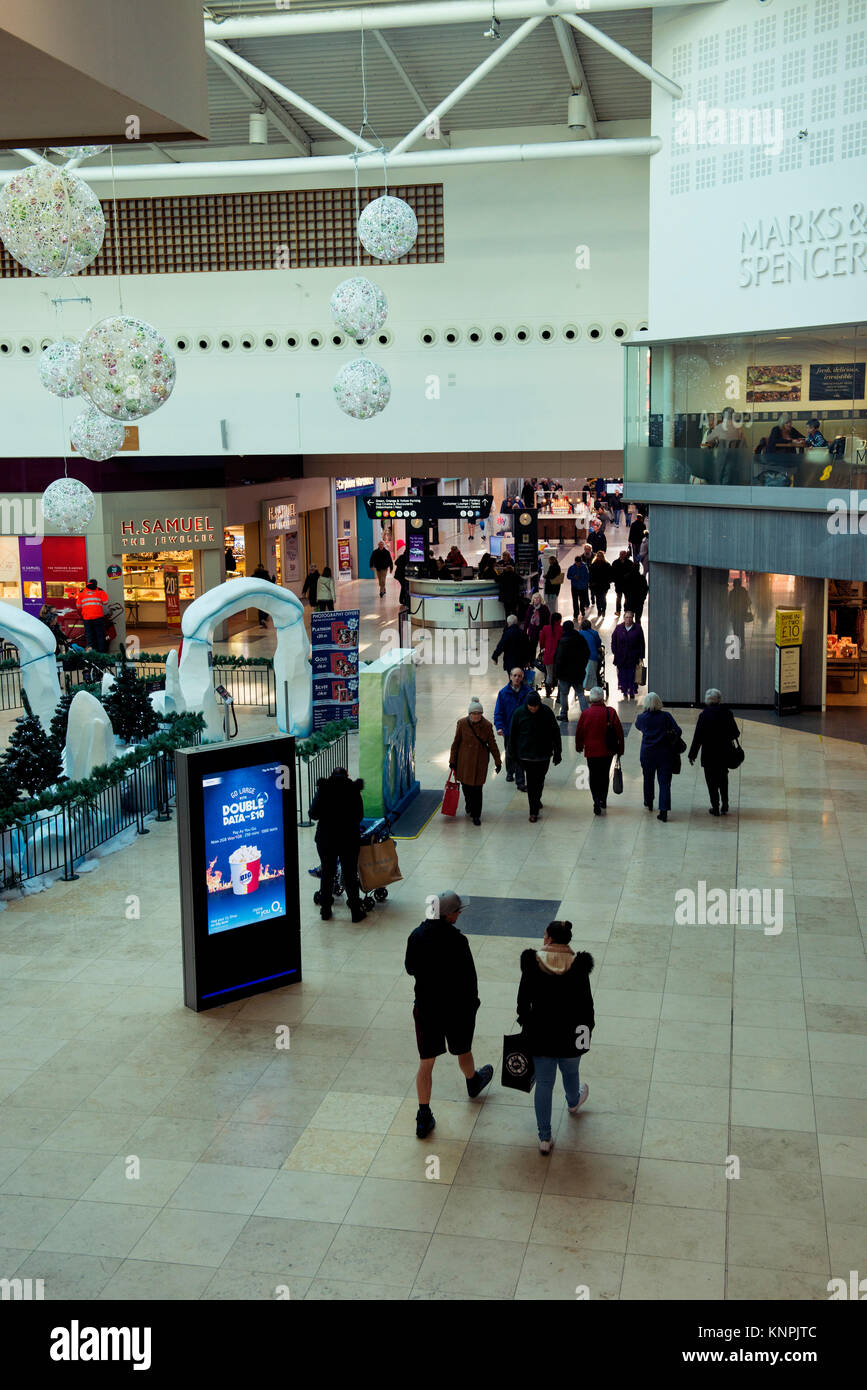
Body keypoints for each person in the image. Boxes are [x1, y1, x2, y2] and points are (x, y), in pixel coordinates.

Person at [405, 890, 493, 1139]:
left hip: (426, 1008)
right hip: (456, 1009)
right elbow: (469, 978)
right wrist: (472, 1004)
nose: (459, 915)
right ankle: (472, 1081)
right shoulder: (458, 941)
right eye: (457, 911)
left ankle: (423, 1117)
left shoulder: (416, 935)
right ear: (450, 915)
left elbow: (410, 968)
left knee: (426, 1062)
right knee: (463, 1049)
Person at [516, 921, 594, 1153]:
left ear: (549, 938)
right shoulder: (579, 966)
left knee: (545, 1083)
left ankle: (544, 1138)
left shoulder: (532, 963)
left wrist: (527, 1023)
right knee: (571, 1072)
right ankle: (573, 1102)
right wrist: (586, 1029)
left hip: (541, 1034)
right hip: (571, 1034)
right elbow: (586, 1005)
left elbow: (522, 1003)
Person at [309, 767, 366, 923]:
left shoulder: (324, 788)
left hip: (326, 839)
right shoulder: (353, 789)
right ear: (347, 775)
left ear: (331, 775)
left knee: (327, 874)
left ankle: (325, 910)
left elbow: (312, 814)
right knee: (350, 875)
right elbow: (360, 816)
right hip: (348, 839)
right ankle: (355, 911)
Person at [508, 690, 562, 823]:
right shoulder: (519, 713)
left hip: (543, 755)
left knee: (540, 780)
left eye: (535, 706)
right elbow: (513, 735)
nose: (533, 709)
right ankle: (533, 811)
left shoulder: (547, 712)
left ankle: (536, 800)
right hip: (526, 756)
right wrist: (512, 754)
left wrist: (558, 752)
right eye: (531, 706)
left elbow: (555, 732)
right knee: (532, 783)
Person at [449, 697, 502, 825]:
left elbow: (492, 744)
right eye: (474, 713)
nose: (477, 716)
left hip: (480, 762)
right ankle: (469, 804)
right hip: (464, 762)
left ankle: (476, 815)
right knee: (466, 788)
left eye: (479, 713)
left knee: (477, 790)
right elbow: (456, 743)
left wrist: (498, 761)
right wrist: (452, 761)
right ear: (469, 714)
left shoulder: (487, 726)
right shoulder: (462, 723)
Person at [688, 688, 740, 816]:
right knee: (723, 779)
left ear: (707, 701)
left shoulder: (703, 716)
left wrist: (692, 755)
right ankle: (725, 803)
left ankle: (715, 806)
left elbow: (698, 738)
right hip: (724, 753)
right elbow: (736, 733)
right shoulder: (727, 713)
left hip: (709, 755)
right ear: (719, 700)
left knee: (711, 782)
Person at [575, 686, 624, 815]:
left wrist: (579, 746)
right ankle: (603, 799)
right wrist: (620, 749)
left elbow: (579, 732)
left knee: (594, 775)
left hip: (591, 751)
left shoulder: (585, 714)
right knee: (604, 775)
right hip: (607, 751)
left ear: (591, 699)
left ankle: (595, 799)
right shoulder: (611, 712)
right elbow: (619, 732)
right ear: (602, 698)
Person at [635, 692, 683, 823]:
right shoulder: (666, 716)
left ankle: (649, 802)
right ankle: (664, 810)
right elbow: (678, 731)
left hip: (647, 753)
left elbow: (638, 726)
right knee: (665, 783)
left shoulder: (642, 717)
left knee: (648, 779)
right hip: (665, 754)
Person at [494, 666, 534, 789]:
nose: (517, 678)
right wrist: (499, 726)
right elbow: (498, 712)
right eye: (514, 675)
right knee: (510, 752)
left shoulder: (529, 693)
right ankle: (510, 772)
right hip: (508, 729)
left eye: (519, 676)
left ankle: (520, 779)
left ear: (523, 678)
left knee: (520, 753)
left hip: (523, 730)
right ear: (510, 677)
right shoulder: (503, 693)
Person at [553, 619, 591, 722]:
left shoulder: (562, 640)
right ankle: (586, 713)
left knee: (563, 694)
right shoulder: (580, 638)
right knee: (580, 693)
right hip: (578, 672)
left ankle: (564, 713)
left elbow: (559, 658)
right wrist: (582, 666)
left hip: (564, 674)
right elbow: (587, 653)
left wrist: (556, 672)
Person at [610, 610, 645, 700]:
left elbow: (641, 643)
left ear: (632, 618)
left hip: (633, 657)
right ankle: (624, 691)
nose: (628, 619)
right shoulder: (619, 628)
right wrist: (615, 651)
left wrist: (641, 656)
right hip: (621, 657)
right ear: (624, 618)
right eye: (626, 617)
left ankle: (632, 691)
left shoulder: (637, 628)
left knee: (632, 675)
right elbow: (613, 640)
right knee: (622, 674)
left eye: (630, 617)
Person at [76, 578, 109, 652]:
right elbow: (105, 602)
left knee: (89, 636)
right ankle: (101, 653)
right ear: (96, 584)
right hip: (98, 617)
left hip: (87, 617)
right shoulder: (100, 590)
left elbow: (78, 606)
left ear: (88, 583)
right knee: (100, 635)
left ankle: (90, 653)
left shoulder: (82, 592)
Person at [537, 611, 563, 696]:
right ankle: (559, 694)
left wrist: (543, 647)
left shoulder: (545, 628)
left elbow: (541, 641)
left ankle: (548, 692)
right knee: (559, 676)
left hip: (548, 656)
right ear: (559, 620)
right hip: (559, 656)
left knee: (549, 675)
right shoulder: (561, 629)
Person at [522, 591, 551, 660]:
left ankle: (544, 660)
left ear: (540, 599)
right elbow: (527, 619)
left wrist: (548, 630)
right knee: (532, 647)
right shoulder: (530, 608)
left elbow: (548, 620)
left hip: (542, 630)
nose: (536, 600)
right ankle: (532, 661)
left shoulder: (544, 608)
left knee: (544, 646)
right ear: (533, 599)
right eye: (535, 598)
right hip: (533, 631)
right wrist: (524, 630)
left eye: (538, 598)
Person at [589, 551, 613, 621]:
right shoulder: (593, 565)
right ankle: (599, 610)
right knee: (598, 598)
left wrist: (609, 581)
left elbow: (610, 574)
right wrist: (591, 583)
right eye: (598, 556)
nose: (599, 557)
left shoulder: (607, 565)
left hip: (604, 585)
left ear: (602, 557)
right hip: (596, 585)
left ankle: (603, 610)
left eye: (600, 556)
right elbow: (591, 575)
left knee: (603, 598)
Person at [566, 551, 590, 619]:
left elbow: (587, 576)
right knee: (575, 600)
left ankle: (582, 610)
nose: (578, 564)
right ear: (575, 562)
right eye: (577, 563)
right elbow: (568, 576)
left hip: (583, 587)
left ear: (581, 561)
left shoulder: (584, 567)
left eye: (579, 563)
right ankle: (576, 613)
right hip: (575, 587)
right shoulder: (571, 568)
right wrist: (573, 577)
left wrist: (585, 583)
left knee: (582, 600)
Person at [580, 618, 602, 690]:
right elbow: (599, 645)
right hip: (592, 657)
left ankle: (582, 686)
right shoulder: (594, 633)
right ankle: (594, 689)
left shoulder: (579, 633)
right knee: (594, 673)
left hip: (582, 658)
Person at [252, 561, 273, 626]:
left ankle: (261, 620)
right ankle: (264, 618)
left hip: (257, 593)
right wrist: (273, 579)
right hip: (265, 593)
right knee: (266, 606)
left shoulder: (254, 575)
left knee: (260, 607)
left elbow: (251, 583)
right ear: (263, 568)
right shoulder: (265, 574)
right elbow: (270, 583)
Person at [610, 550, 631, 616]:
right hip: (618, 583)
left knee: (626, 598)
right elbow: (612, 572)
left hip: (627, 584)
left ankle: (625, 610)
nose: (621, 556)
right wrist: (613, 580)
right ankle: (618, 611)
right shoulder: (615, 562)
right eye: (621, 554)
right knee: (619, 597)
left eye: (623, 554)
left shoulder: (630, 563)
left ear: (625, 555)